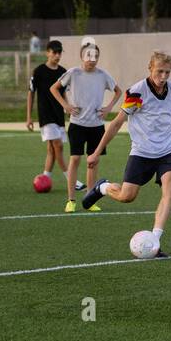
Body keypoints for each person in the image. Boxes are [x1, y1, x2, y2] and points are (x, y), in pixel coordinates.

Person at [82, 51, 171, 256]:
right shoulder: (137, 92)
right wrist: (96, 152)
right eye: (160, 71)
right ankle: (103, 188)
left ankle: (155, 240)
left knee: (170, 188)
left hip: (168, 151)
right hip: (141, 152)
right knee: (126, 196)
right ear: (150, 68)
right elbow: (116, 123)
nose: (164, 76)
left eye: (167, 72)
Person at [51, 40, 120, 212]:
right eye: (88, 55)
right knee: (75, 159)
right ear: (82, 56)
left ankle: (90, 200)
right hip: (77, 125)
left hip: (97, 126)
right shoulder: (73, 73)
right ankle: (71, 200)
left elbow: (118, 91)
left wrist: (108, 108)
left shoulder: (103, 75)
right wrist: (65, 106)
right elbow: (54, 88)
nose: (92, 59)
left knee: (92, 162)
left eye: (95, 56)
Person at [26, 39, 79, 186]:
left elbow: (63, 94)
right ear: (47, 53)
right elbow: (31, 93)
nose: (57, 55)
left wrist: (67, 107)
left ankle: (45, 178)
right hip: (45, 115)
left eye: (59, 52)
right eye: (54, 52)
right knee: (58, 145)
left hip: (58, 115)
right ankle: (71, 179)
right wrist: (29, 117)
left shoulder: (63, 72)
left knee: (51, 148)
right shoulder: (38, 71)